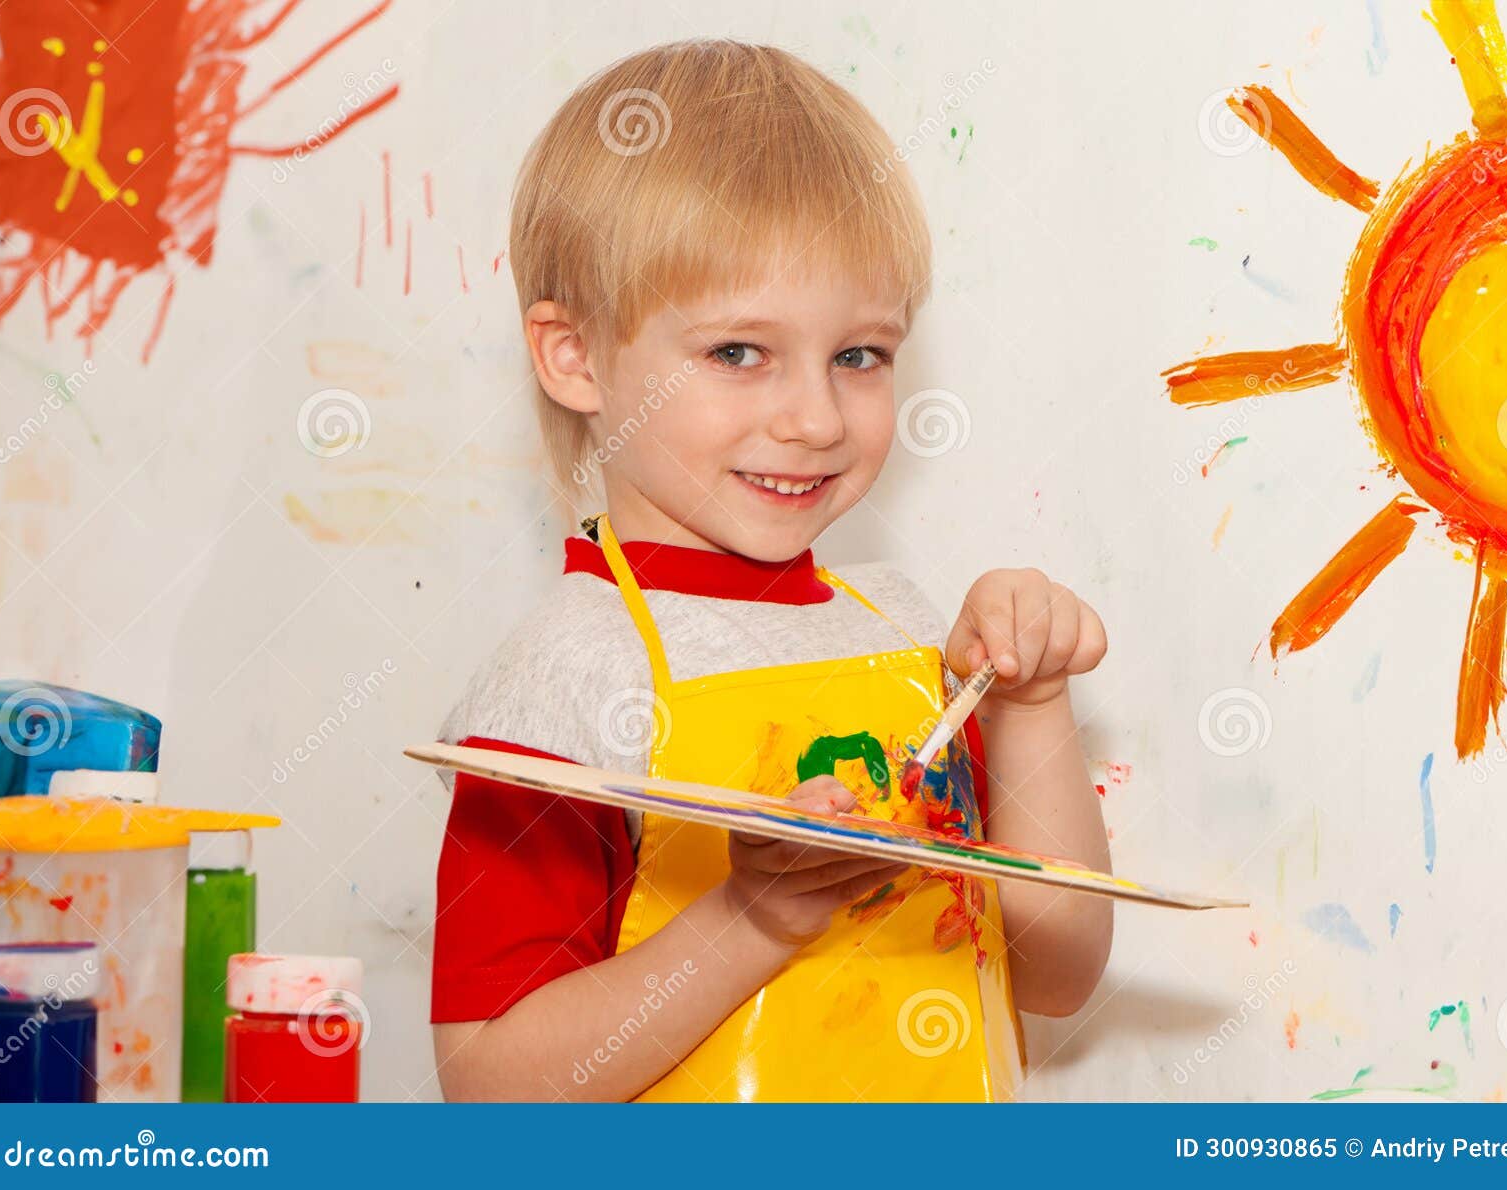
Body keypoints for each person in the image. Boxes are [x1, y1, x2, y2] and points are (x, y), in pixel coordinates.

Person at [431, 38, 1111, 1102]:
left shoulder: (902, 632)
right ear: (574, 356)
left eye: (858, 355)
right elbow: (490, 1088)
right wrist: (749, 919)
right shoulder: (563, 675)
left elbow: (1059, 974)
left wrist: (1029, 703)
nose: (816, 418)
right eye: (738, 352)